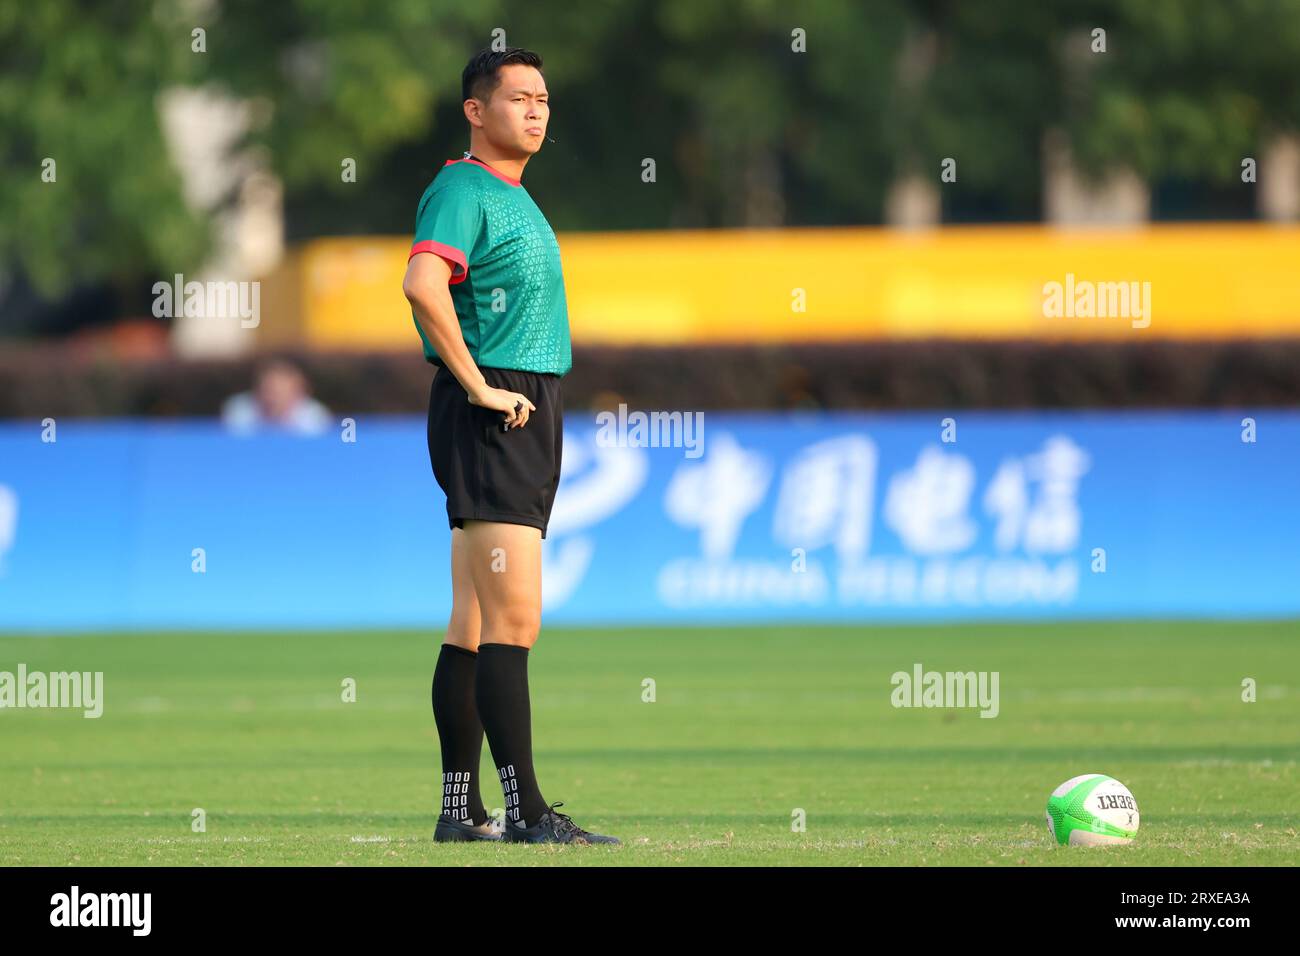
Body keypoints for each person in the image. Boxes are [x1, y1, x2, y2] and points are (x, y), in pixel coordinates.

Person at [401, 47, 618, 846]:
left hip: (521, 406)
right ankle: (526, 810)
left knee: (472, 620)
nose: (535, 110)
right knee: (514, 620)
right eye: (518, 97)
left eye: (544, 99)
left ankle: (461, 811)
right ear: (474, 110)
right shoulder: (462, 186)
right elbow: (423, 283)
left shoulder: (512, 195)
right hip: (496, 413)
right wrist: (481, 386)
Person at [220, 359, 331, 435]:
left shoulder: (314, 416)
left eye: (280, 390)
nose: (273, 396)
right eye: (268, 388)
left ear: (298, 391)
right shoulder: (239, 410)